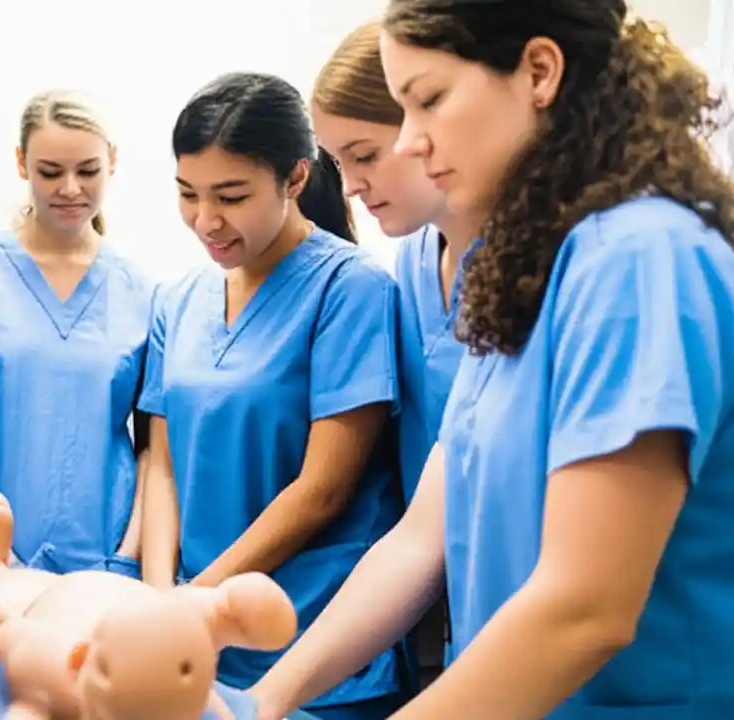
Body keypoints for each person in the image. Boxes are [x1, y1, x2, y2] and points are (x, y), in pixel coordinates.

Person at [251, 2, 734, 718]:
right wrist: (263, 699)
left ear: (539, 72)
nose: (410, 143)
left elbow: (584, 610)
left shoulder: (639, 260)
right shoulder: (524, 278)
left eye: (430, 101)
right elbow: (419, 540)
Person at [138, 72, 404, 720]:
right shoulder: (178, 301)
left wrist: (200, 599)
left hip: (316, 645)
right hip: (194, 638)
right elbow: (163, 467)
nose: (206, 220)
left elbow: (323, 491)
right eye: (187, 194)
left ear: (296, 179)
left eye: (231, 196)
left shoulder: (350, 290)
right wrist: (157, 604)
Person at [0, 89, 155, 575]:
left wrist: (126, 559)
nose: (69, 188)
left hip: (106, 559)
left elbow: (153, 453)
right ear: (21, 163)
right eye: (50, 171)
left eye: (88, 171)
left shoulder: (144, 291)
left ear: (113, 164)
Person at [309, 20, 482, 691]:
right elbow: (421, 520)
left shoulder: (565, 266)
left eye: (366, 155)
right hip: (442, 592)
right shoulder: (406, 264)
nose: (350, 184)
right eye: (338, 164)